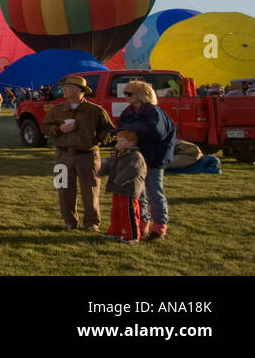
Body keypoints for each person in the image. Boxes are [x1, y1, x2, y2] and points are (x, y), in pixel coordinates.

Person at [42, 75, 117, 232]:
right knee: (63, 189)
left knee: (90, 190)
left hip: (87, 155)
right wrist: (59, 129)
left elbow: (109, 130)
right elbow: (45, 127)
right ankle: (69, 221)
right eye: (64, 87)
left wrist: (97, 140)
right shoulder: (57, 110)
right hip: (62, 155)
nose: (63, 89)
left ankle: (91, 222)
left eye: (67, 87)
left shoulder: (95, 111)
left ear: (79, 90)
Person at [116, 80, 176, 240]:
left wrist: (132, 128)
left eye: (129, 93)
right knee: (139, 193)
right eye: (125, 93)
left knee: (155, 192)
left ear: (141, 95)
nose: (126, 97)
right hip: (136, 158)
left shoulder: (154, 111)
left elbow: (156, 132)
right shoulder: (129, 111)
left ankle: (159, 227)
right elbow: (120, 126)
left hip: (153, 158)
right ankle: (142, 224)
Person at [99, 130, 147, 243]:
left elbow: (134, 170)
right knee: (115, 212)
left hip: (128, 190)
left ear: (131, 143)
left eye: (122, 141)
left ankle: (133, 236)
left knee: (129, 213)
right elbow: (110, 164)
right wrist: (102, 170)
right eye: (118, 140)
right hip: (117, 189)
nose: (118, 143)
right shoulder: (118, 154)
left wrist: (119, 180)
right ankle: (115, 232)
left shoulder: (136, 156)